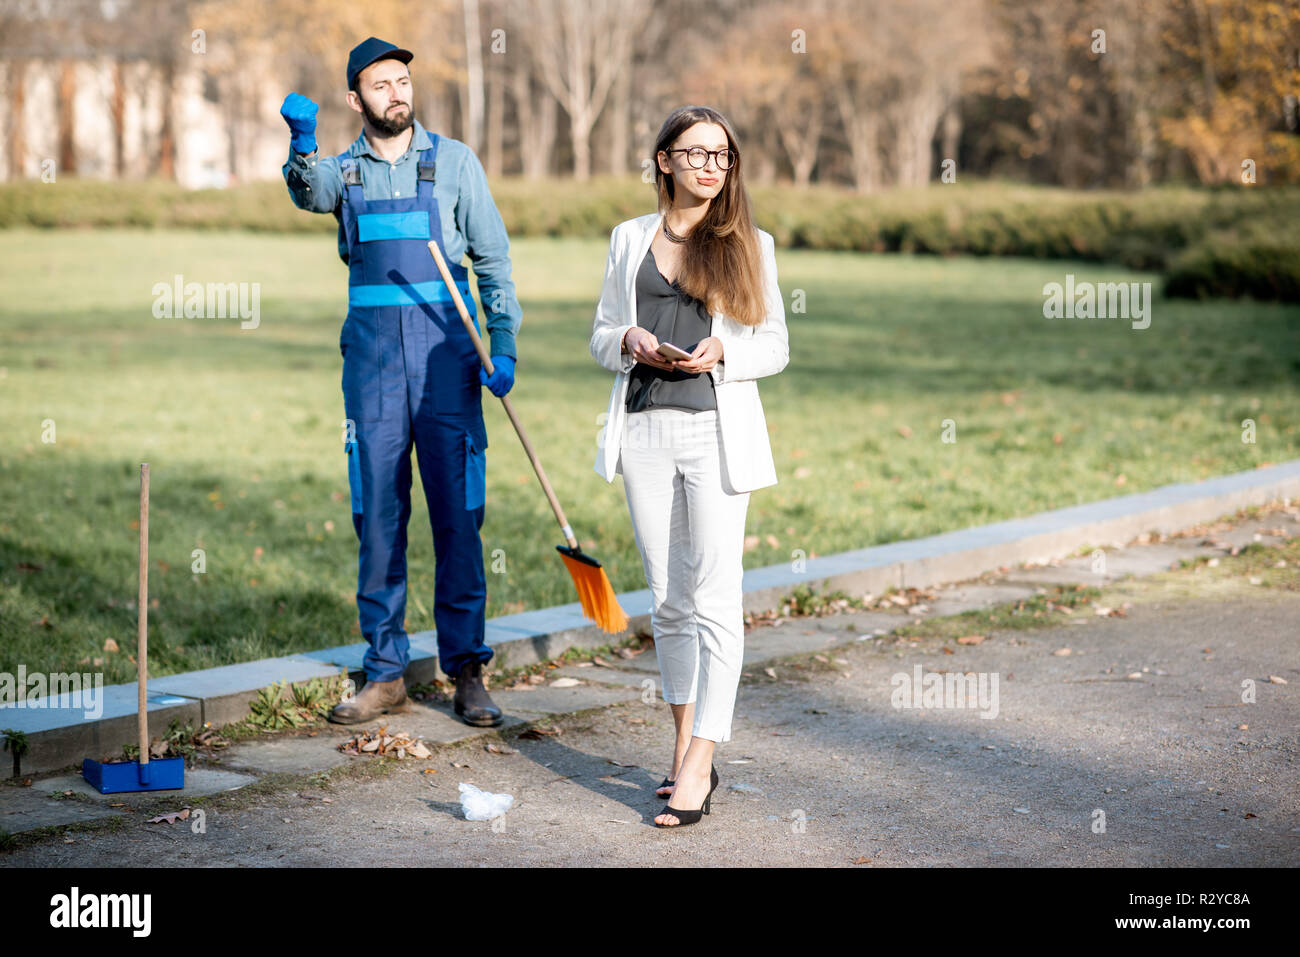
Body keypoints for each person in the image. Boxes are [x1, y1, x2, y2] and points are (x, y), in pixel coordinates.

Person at [280, 37, 522, 727]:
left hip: (449, 361)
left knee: (459, 516)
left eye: (403, 80)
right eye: (380, 84)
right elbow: (307, 190)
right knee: (378, 517)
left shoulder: (454, 164)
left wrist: (501, 346)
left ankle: (467, 671)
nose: (397, 92)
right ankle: (384, 671)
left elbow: (494, 262)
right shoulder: (342, 172)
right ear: (356, 99)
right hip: (374, 369)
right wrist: (301, 142)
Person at [588, 105, 789, 826]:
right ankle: (681, 750)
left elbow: (774, 345)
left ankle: (703, 761)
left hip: (714, 433)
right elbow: (600, 335)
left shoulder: (750, 245)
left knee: (714, 599)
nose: (711, 165)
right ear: (664, 159)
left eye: (722, 155)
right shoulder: (628, 239)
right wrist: (629, 337)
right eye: (696, 152)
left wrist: (726, 351)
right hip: (643, 430)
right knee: (668, 598)